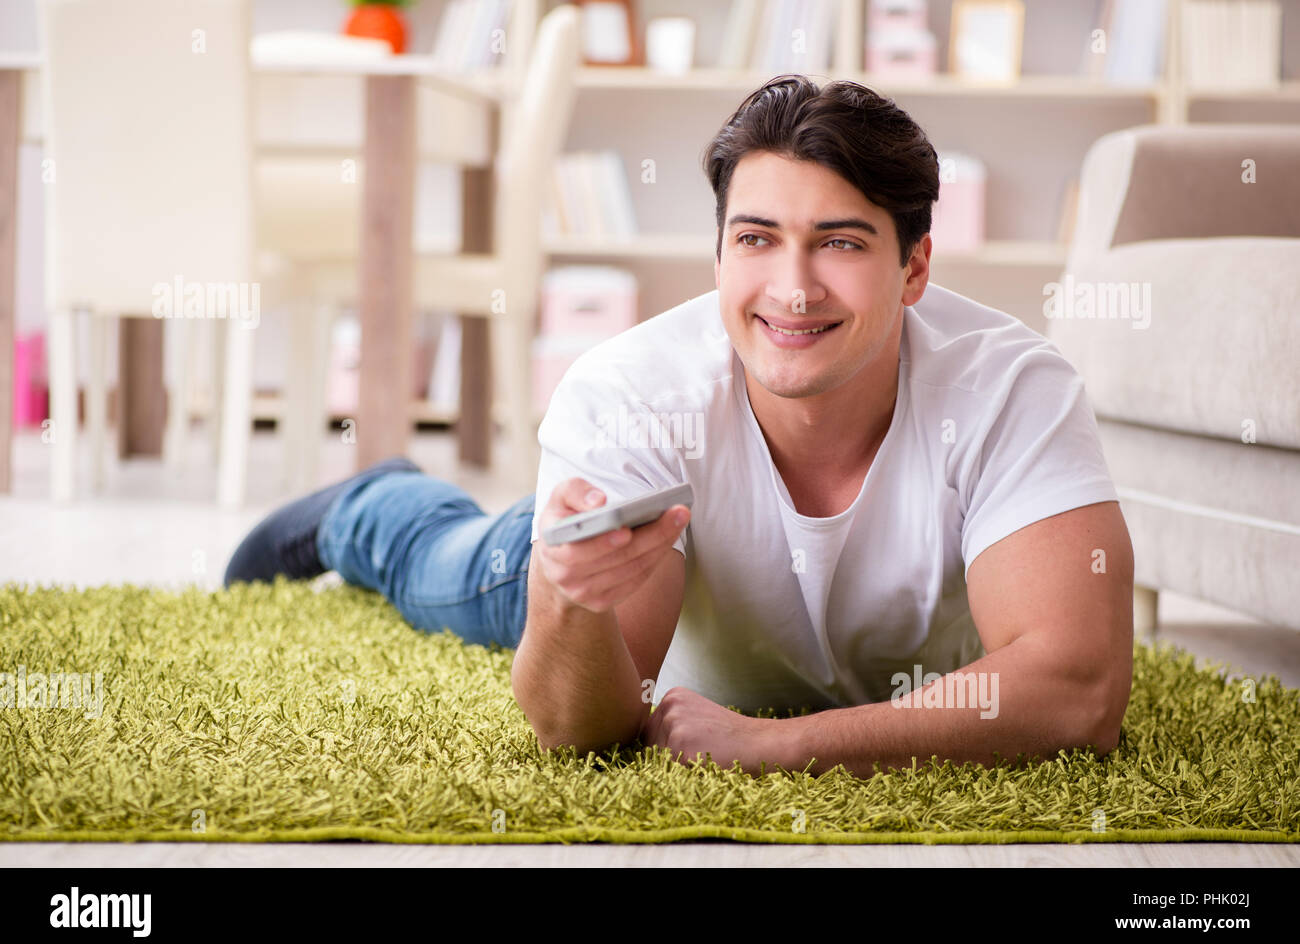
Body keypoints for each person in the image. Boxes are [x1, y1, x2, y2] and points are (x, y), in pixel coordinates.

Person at [225, 75, 1134, 780]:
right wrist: (572, 599)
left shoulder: (1013, 390)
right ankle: (365, 503)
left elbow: (1079, 689)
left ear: (914, 267)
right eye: (756, 238)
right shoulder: (632, 393)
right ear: (717, 251)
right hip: (578, 566)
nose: (794, 287)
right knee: (452, 564)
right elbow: (584, 732)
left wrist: (782, 746)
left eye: (842, 242)